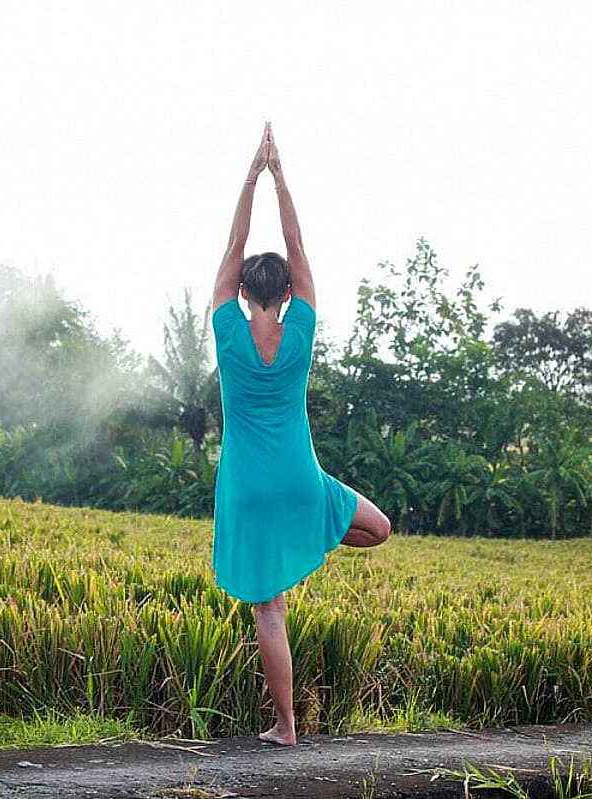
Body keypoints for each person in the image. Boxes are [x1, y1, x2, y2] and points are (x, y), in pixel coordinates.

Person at [210, 123, 392, 747]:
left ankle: (286, 728)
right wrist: (280, 177)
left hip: (246, 487)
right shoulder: (304, 327)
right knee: (379, 528)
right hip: (299, 481)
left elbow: (236, 242)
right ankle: (307, 535)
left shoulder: (227, 329)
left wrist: (250, 177)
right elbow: (296, 241)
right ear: (288, 293)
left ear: (241, 291)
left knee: (270, 611)